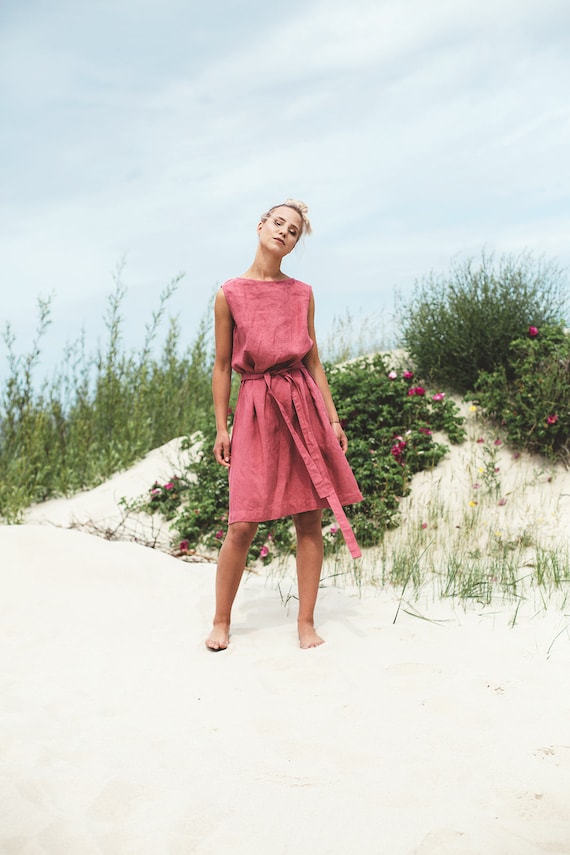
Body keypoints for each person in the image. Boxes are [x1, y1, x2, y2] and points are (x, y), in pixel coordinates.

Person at [206, 199, 362, 651]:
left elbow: (313, 359)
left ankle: (306, 624)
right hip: (255, 406)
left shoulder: (302, 293)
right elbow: (220, 366)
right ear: (260, 225)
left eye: (293, 231)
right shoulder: (229, 293)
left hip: (302, 403)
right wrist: (222, 427)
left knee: (309, 518)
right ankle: (220, 620)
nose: (284, 233)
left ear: (295, 243)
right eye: (278, 223)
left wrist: (331, 418)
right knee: (242, 523)